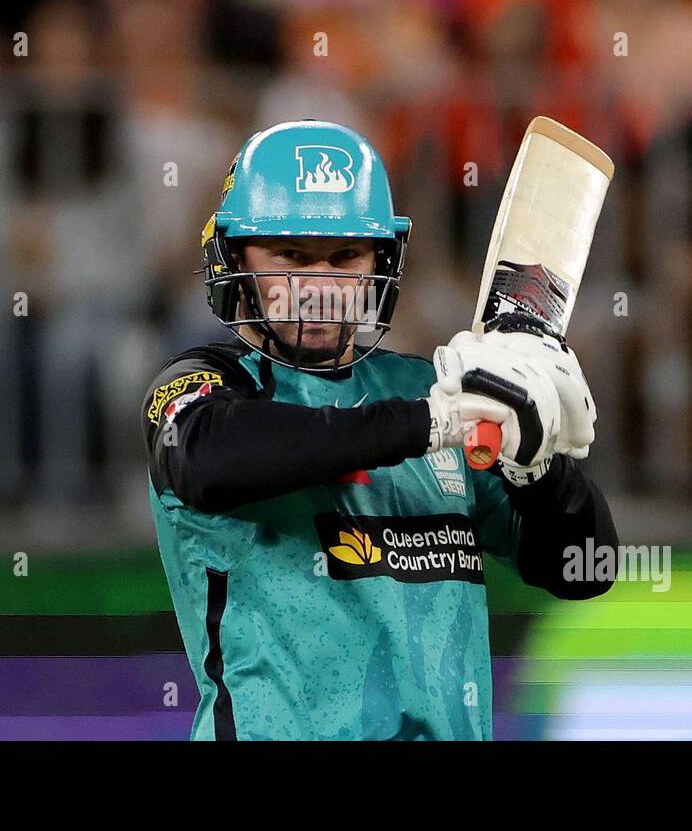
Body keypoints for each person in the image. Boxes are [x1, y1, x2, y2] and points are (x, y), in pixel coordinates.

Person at [140, 119, 618, 740]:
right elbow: (207, 461)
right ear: (235, 260)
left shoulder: (433, 391)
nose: (317, 286)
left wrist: (540, 470)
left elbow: (586, 568)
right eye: (289, 254)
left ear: (380, 261)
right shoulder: (205, 386)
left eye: (344, 256)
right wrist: (432, 423)